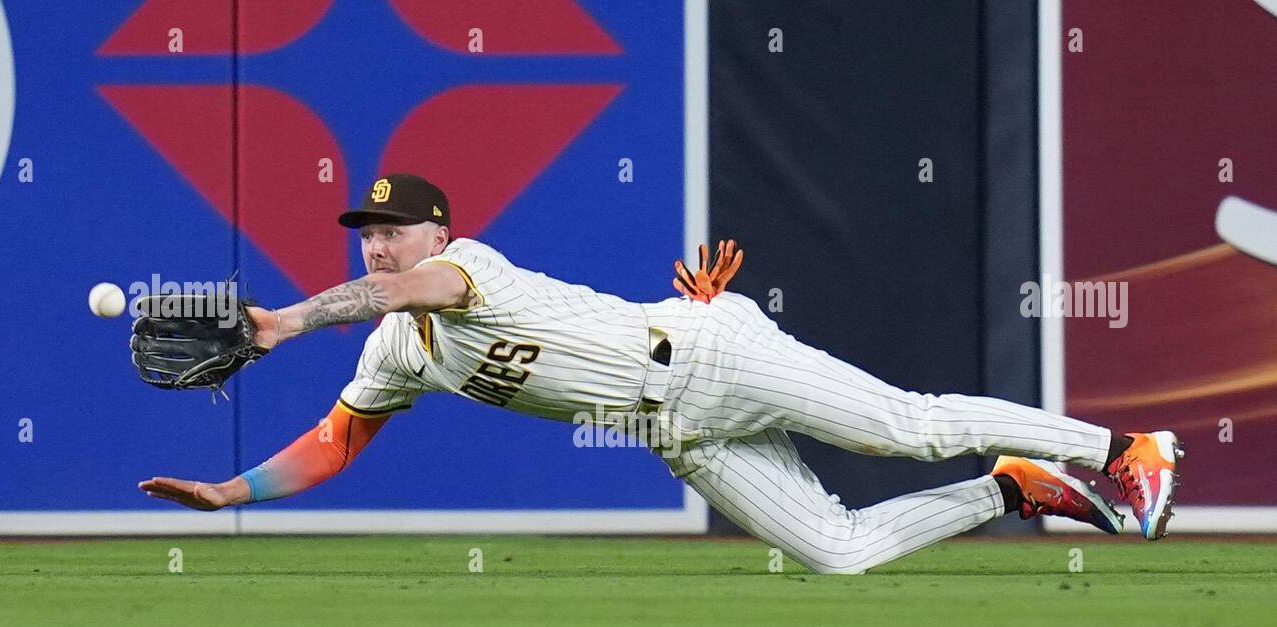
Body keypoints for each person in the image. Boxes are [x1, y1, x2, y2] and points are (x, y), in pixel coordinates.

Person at [140, 173, 1183, 573]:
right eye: (366, 233)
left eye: (394, 227)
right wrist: (229, 491)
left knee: (901, 426)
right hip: (677, 430)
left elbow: (394, 297)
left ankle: (1124, 449)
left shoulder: (464, 270)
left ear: (440, 231)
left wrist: (279, 322)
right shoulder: (391, 351)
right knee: (837, 551)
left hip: (709, 353)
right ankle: (1014, 486)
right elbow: (336, 440)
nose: (377, 245)